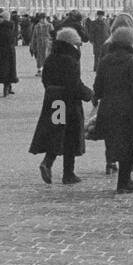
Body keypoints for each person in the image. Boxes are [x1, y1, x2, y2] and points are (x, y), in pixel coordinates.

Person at [31, 27, 93, 185]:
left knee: (56, 132)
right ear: (71, 43)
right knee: (71, 137)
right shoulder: (71, 60)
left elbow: (45, 79)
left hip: (55, 102)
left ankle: (47, 162)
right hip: (69, 103)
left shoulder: (51, 58)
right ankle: (68, 174)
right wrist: (89, 94)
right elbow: (75, 85)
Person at [92, 25, 133, 194]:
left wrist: (96, 99)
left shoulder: (105, 60)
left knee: (113, 141)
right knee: (128, 145)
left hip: (108, 108)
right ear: (131, 42)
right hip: (128, 110)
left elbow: (98, 86)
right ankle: (124, 182)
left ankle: (116, 171)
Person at [0, 8, 19, 97]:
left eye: (1, 17)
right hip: (10, 53)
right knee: (8, 71)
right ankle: (6, 89)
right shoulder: (11, 27)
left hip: (1, 53)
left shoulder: (2, 28)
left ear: (4, 18)